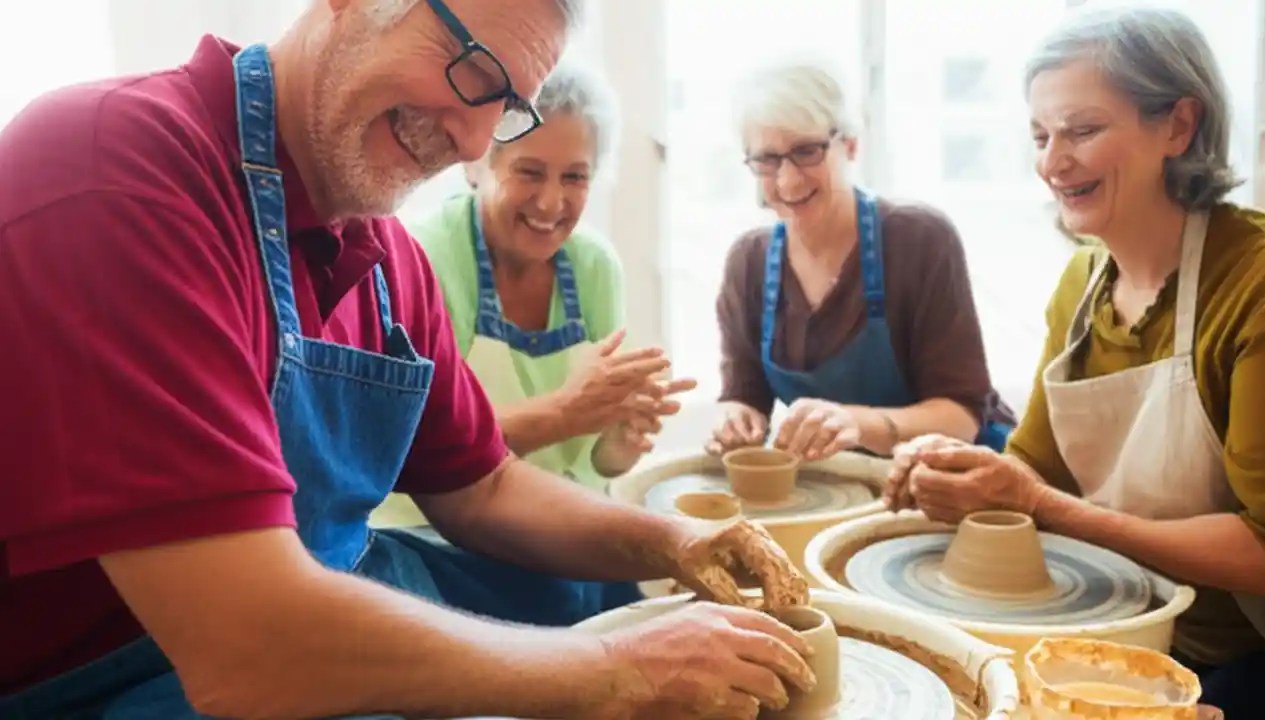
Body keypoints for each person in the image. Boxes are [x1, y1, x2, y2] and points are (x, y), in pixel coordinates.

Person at [0, 1, 816, 718]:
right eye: (472, 70)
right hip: (131, 666)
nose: (469, 140)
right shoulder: (115, 168)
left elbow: (484, 488)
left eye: (505, 109)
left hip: (342, 582)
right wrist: (612, 673)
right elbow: (246, 649)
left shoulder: (386, 255)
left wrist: (672, 542)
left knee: (605, 592)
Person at [884, 7, 1265, 718]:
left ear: (1178, 127)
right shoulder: (1082, 283)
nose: (1051, 161)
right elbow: (1036, 470)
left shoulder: (1262, 282)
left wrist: (1040, 506)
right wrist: (958, 470)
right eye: (1040, 136)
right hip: (1132, 630)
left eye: (1082, 130)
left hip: (1254, 656)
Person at [406, 61, 695, 492]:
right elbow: (423, 446)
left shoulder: (594, 264)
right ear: (475, 164)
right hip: (432, 525)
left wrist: (622, 439)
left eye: (574, 177)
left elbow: (595, 465)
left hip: (551, 518)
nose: (550, 202)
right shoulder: (427, 256)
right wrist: (564, 412)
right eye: (530, 172)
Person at [708, 59, 1016, 462]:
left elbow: (962, 415)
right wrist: (735, 419)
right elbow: (744, 397)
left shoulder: (919, 239)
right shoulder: (748, 262)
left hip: (954, 476)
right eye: (767, 159)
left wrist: (856, 423)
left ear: (850, 145)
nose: (788, 180)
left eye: (807, 151)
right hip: (843, 483)